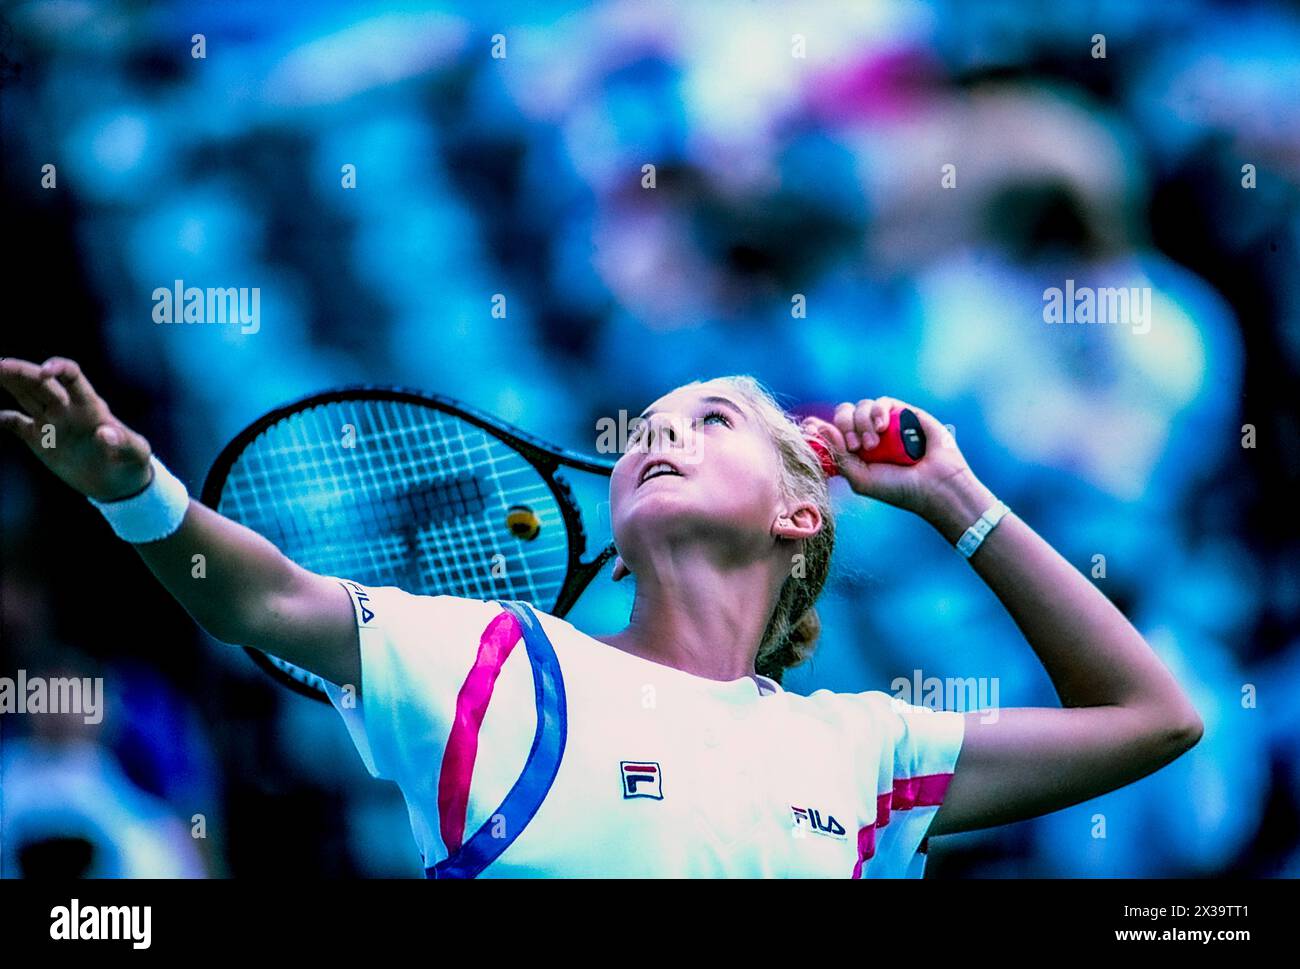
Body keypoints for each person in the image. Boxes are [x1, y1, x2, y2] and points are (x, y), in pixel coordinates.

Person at [0, 356, 1204, 877]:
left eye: (714, 420)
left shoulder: (868, 752)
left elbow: (1152, 720)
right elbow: (259, 594)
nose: (663, 436)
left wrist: (951, 496)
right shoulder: (488, 663)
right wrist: (133, 492)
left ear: (799, 515)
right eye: (652, 427)